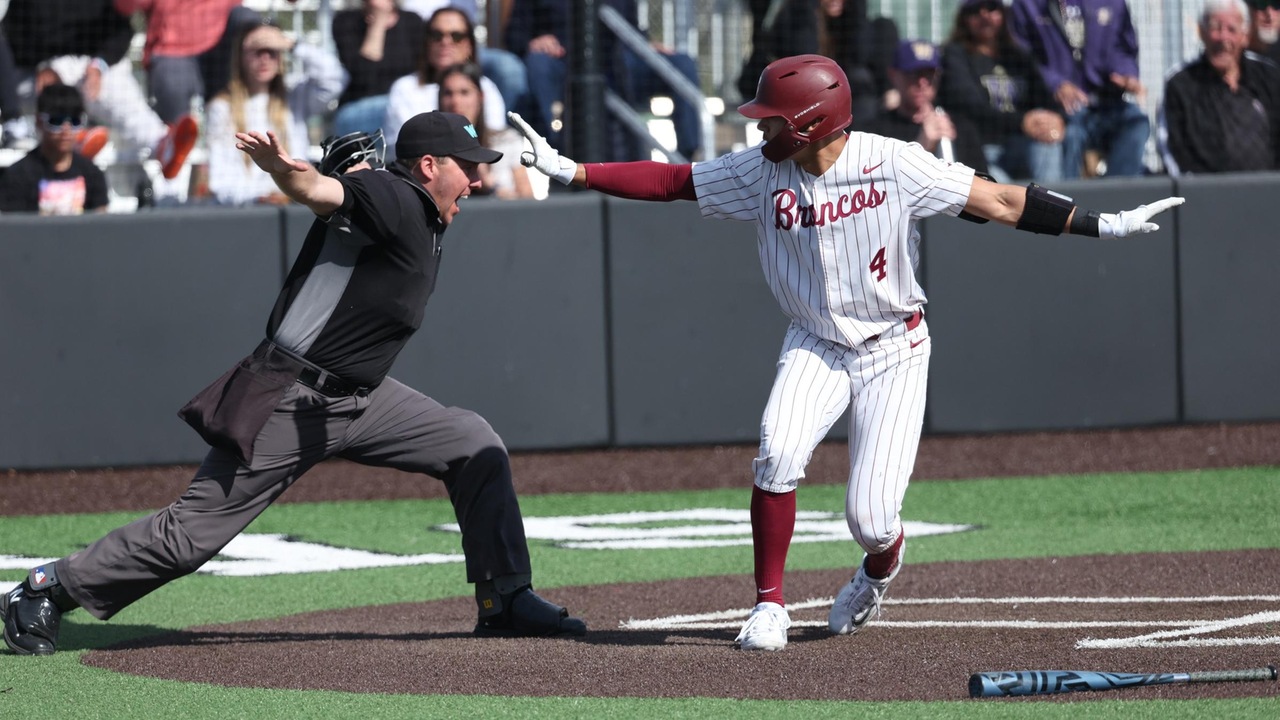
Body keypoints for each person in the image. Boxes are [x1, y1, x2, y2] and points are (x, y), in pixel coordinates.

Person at [507, 54, 1181, 651]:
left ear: (809, 123)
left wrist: (1103, 223)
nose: (760, 130)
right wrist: (572, 169)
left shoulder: (894, 162)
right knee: (776, 450)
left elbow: (1000, 200)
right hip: (815, 340)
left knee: (871, 519)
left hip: (894, 345)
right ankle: (769, 604)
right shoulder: (760, 171)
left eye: (772, 120)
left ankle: (880, 568)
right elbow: (672, 181)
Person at [0, 109, 587, 657]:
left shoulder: (424, 213)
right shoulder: (395, 195)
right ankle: (46, 588)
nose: (478, 180)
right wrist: (285, 171)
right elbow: (321, 191)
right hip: (293, 397)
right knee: (189, 537)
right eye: (468, 167)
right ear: (429, 166)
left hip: (363, 397)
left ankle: (505, 597)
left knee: (472, 442)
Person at [1, 0, 199, 180]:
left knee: (114, 87)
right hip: (35, 73)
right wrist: (44, 67)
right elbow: (10, 38)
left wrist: (99, 64)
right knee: (60, 76)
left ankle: (161, 144)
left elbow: (122, 32)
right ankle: (76, 137)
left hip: (93, 66)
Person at [504, 0, 702, 161]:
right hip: (564, 64)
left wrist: (646, 44)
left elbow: (631, 26)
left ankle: (688, 159)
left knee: (682, 64)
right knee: (538, 64)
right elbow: (514, 34)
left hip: (621, 65)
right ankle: (554, 154)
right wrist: (535, 41)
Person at [206, 21, 346, 206]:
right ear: (240, 56)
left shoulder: (295, 95)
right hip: (248, 208)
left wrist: (292, 45)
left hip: (296, 202)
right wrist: (263, 198)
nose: (264, 58)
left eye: (272, 51)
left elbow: (335, 78)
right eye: (257, 50)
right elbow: (221, 179)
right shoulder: (222, 107)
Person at [1008, 0, 1149, 178]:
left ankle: (1119, 191)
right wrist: (1055, 84)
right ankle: (1068, 195)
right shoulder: (1028, 4)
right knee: (1068, 134)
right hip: (1057, 108)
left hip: (1106, 102)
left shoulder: (1113, 3)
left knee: (1136, 121)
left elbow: (1122, 48)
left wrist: (1126, 75)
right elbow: (1021, 57)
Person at [938, 0, 1064, 183]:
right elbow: (971, 108)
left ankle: (1050, 199)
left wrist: (1055, 120)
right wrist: (1022, 122)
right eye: (975, 10)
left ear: (1003, 14)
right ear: (963, 18)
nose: (984, 16)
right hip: (981, 150)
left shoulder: (1018, 56)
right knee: (1004, 191)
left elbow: (1045, 100)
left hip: (1020, 146)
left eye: (991, 8)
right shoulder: (954, 55)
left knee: (1047, 138)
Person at [1161, 0, 1280, 176]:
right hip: (1207, 190)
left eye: (1231, 29)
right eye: (1216, 28)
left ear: (1244, 36)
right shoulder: (1181, 84)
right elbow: (1173, 151)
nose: (1223, 38)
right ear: (1202, 32)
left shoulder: (1269, 77)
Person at [113, 0, 267, 124]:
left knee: (248, 19)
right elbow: (125, 6)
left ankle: (264, 116)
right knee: (173, 94)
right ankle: (174, 144)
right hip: (172, 51)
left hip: (223, 52)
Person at [385, 7, 507, 156]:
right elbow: (405, 149)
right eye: (436, 35)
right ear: (426, 42)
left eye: (456, 36)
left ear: (469, 45)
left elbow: (494, 140)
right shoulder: (405, 89)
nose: (445, 42)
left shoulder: (486, 87)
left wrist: (470, 136)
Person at [864, 40, 989, 173]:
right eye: (913, 74)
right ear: (893, 75)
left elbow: (983, 178)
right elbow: (875, 178)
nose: (922, 82)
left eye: (929, 75)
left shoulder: (960, 128)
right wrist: (921, 147)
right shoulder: (877, 132)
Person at [0, 83, 108, 214]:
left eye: (75, 121)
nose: (66, 130)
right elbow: (13, 224)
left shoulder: (92, 174)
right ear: (39, 122)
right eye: (56, 121)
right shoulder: (17, 176)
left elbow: (101, 221)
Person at [437, 62, 533, 198]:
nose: (455, 101)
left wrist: (491, 186)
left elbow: (527, 199)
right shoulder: (430, 146)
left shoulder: (507, 140)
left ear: (480, 96)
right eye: (448, 93)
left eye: (464, 92)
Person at [331, 0, 426, 137]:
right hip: (359, 105)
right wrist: (378, 24)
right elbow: (363, 76)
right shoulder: (346, 21)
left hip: (405, 102)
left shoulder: (413, 21)